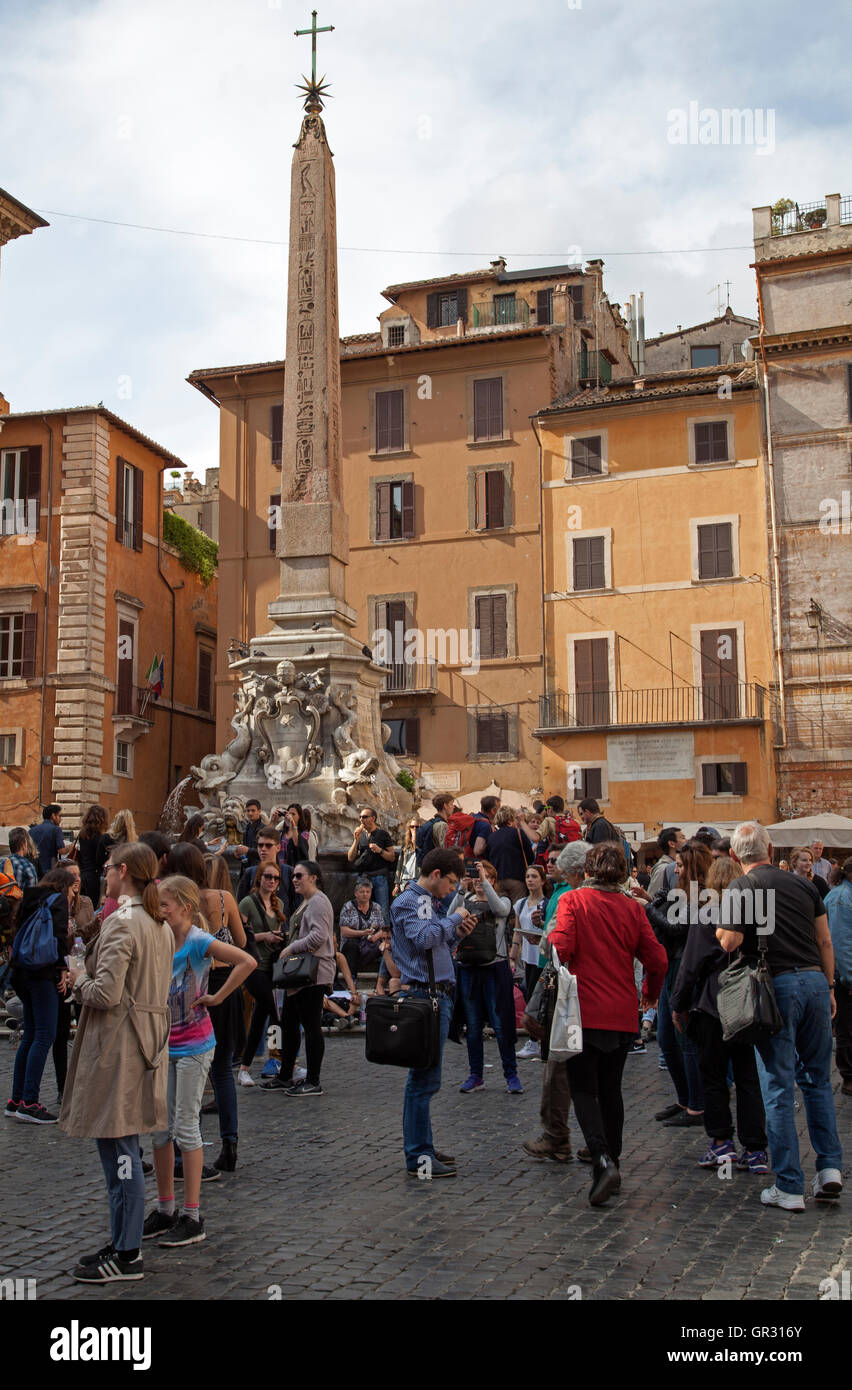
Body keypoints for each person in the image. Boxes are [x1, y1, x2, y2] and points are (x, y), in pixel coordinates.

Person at [58, 844, 173, 1283]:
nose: (102, 874)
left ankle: (127, 1253)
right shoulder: (155, 924)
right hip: (141, 1043)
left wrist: (78, 977)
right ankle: (121, 1240)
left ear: (123, 872)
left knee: (121, 1153)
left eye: (107, 869)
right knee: (120, 1150)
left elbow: (105, 992)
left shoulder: (127, 923)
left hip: (119, 1047)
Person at [717, 821, 843, 1211]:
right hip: (815, 984)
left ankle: (789, 1185)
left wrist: (721, 927)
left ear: (736, 856)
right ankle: (830, 1169)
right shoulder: (805, 884)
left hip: (777, 988)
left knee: (778, 1085)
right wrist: (830, 986)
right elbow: (825, 939)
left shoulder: (742, 886)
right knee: (819, 1080)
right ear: (770, 851)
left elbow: (731, 940)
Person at [550, 841, 667, 1205]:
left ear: (588, 869)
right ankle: (612, 1158)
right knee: (611, 1088)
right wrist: (651, 992)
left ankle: (601, 1159)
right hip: (621, 1011)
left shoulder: (573, 901)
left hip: (581, 1010)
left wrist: (552, 937)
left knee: (583, 1087)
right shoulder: (632, 908)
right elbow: (658, 959)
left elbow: (563, 947)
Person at [144, 875, 254, 1248]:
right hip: (164, 1044)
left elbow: (246, 961)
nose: (159, 911)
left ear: (185, 908)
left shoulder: (197, 940)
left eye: (165, 905)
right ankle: (164, 1208)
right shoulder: (160, 937)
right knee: (160, 1128)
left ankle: (192, 1215)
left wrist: (218, 996)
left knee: (185, 1126)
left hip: (193, 1046)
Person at [670, 849, 768, 1172]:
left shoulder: (706, 915)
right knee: (747, 1077)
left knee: (713, 1077)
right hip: (746, 1002)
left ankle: (722, 1143)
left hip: (711, 1005)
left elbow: (690, 967)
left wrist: (678, 1004)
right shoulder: (754, 912)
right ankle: (755, 1148)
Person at [390, 847, 476, 1177]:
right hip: (426, 998)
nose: (453, 889)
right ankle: (418, 1156)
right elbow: (424, 938)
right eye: (451, 882)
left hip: (437, 996)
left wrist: (455, 934)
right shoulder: (412, 901)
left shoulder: (427, 902)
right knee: (423, 1080)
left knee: (426, 1079)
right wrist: (454, 918)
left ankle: (423, 1145)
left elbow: (435, 946)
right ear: (436, 875)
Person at [165, 843, 249, 1172]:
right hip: (223, 987)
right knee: (223, 1070)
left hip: (188, 990)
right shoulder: (223, 899)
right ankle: (229, 1144)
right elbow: (241, 945)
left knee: (187, 1068)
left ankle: (188, 1146)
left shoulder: (173, 903)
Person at [523, 839, 591, 1163]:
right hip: (609, 1003)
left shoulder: (572, 899)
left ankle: (557, 1137)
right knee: (603, 1078)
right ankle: (601, 1145)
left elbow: (556, 950)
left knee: (558, 1070)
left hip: (570, 999)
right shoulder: (624, 900)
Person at [6, 865, 75, 1124]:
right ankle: (30, 1102)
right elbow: (57, 938)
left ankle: (16, 1100)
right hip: (43, 973)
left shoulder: (30, 897)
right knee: (44, 1035)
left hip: (22, 972)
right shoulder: (57, 901)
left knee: (31, 1035)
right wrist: (61, 969)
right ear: (63, 886)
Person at [645, 843, 706, 1128]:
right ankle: (685, 1098)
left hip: (685, 968)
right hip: (673, 965)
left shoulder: (702, 895)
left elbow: (676, 928)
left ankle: (697, 1105)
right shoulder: (681, 893)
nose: (675, 869)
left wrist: (649, 908)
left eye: (680, 865)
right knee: (667, 1038)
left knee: (685, 1038)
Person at [452, 860, 523, 1095]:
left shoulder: (501, 901)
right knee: (473, 1026)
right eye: (477, 876)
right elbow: (450, 916)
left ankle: (511, 1074)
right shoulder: (467, 901)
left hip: (495, 967)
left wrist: (484, 882)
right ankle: (476, 1075)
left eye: (486, 877)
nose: (480, 881)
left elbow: (502, 911)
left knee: (501, 1024)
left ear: (492, 881)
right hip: (469, 967)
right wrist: (462, 890)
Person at [265, 860, 335, 1097]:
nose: (294, 879)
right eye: (293, 875)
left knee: (311, 1026)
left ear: (313, 877)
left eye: (299, 875)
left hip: (313, 973)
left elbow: (318, 936)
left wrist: (291, 948)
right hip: (301, 974)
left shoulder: (318, 901)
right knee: (290, 1025)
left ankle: (313, 1080)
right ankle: (286, 1075)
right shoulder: (307, 902)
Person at [239, 862, 287, 1086]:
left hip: (272, 967)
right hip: (253, 966)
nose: (272, 881)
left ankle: (245, 1067)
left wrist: (279, 938)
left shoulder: (280, 905)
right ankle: (285, 1062)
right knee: (273, 1011)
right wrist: (264, 936)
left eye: (276, 878)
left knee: (261, 1016)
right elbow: (239, 937)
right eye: (268, 877)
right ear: (259, 878)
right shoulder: (248, 903)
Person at [510, 864, 548, 1059]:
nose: (530, 880)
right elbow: (517, 933)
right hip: (527, 958)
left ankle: (536, 1040)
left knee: (538, 997)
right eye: (527, 876)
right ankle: (536, 1039)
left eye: (534, 876)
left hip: (542, 957)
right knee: (530, 994)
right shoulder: (521, 904)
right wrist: (512, 957)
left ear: (542, 880)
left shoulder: (547, 904)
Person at [825, 858, 852, 1098]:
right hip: (845, 978)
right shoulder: (842, 898)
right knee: (847, 1029)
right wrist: (850, 979)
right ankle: (849, 1077)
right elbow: (841, 945)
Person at [346, 807, 395, 918]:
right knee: (362, 910)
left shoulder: (383, 834)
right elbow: (350, 857)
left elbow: (392, 857)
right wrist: (356, 840)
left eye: (364, 817)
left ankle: (384, 934)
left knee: (382, 912)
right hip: (364, 878)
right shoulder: (360, 835)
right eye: (360, 817)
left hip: (380, 877)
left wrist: (380, 850)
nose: (361, 820)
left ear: (373, 818)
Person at [485, 805, 538, 905]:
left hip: (498, 880)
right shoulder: (519, 833)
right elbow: (530, 857)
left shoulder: (492, 836)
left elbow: (488, 858)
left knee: (501, 911)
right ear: (510, 820)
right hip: (517, 878)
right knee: (517, 909)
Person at [339, 876, 385, 983]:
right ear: (356, 893)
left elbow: (383, 929)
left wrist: (375, 937)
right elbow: (344, 931)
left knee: (385, 946)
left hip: (370, 944)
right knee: (352, 945)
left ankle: (383, 980)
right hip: (352, 944)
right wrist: (362, 933)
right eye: (362, 892)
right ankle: (352, 978)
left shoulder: (376, 907)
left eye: (367, 892)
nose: (365, 894)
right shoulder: (348, 907)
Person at [77, 804, 111, 906]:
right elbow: (99, 859)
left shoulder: (82, 835)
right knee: (92, 906)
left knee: (81, 906)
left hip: (82, 874)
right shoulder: (102, 838)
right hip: (95, 876)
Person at [647, 827, 685, 897]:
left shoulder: (671, 865)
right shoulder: (663, 869)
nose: (686, 841)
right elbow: (654, 898)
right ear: (671, 844)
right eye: (682, 838)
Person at [28, 804, 66, 873]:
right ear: (53, 816)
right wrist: (71, 847)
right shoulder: (56, 829)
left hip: (35, 869)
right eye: (60, 816)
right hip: (50, 869)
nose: (61, 819)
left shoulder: (31, 830)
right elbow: (62, 851)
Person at [394, 819, 420, 895]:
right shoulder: (405, 847)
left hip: (416, 879)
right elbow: (399, 865)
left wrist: (415, 839)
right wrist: (396, 885)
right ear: (409, 828)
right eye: (412, 826)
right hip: (404, 880)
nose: (414, 829)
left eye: (417, 827)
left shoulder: (423, 845)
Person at [471, 794, 501, 860]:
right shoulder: (486, 826)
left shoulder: (473, 817)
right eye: (499, 809)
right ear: (493, 811)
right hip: (477, 865)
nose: (500, 812)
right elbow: (477, 851)